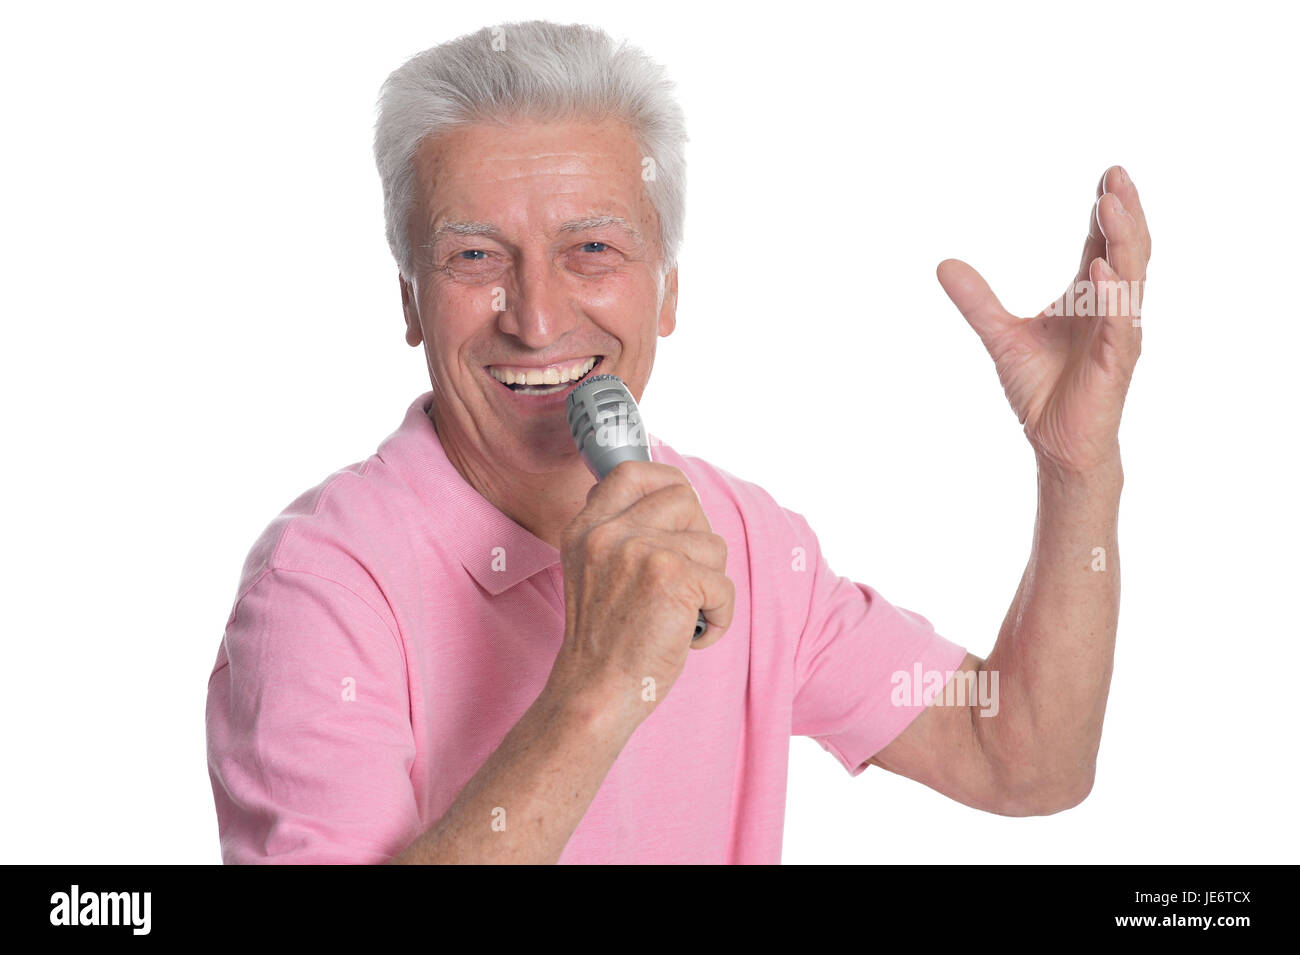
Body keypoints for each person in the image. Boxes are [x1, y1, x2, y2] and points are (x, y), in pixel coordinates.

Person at [205, 20, 1149, 864]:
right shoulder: (320, 592)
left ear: (666, 292)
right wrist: (604, 679)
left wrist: (1076, 467)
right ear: (410, 298)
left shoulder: (741, 537)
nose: (536, 320)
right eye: (475, 257)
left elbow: (1023, 758)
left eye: (594, 250)